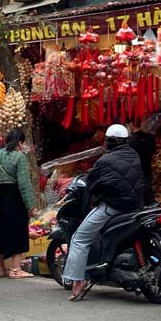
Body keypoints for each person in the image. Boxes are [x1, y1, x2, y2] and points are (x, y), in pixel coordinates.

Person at [64, 124, 144, 301]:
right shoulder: (134, 155)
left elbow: (93, 183)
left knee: (80, 238)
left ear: (110, 141)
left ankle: (78, 282)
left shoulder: (105, 161)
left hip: (113, 206)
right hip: (134, 206)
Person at [0, 129, 37, 279]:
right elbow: (24, 184)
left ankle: (1, 269)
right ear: (19, 143)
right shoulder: (19, 158)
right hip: (14, 199)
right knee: (18, 231)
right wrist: (31, 206)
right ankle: (15, 270)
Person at [129, 114, 161, 206]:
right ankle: (151, 203)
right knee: (147, 185)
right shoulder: (150, 138)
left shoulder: (130, 142)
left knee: (141, 189)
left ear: (131, 125)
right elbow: (152, 151)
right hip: (147, 165)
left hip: (135, 169)